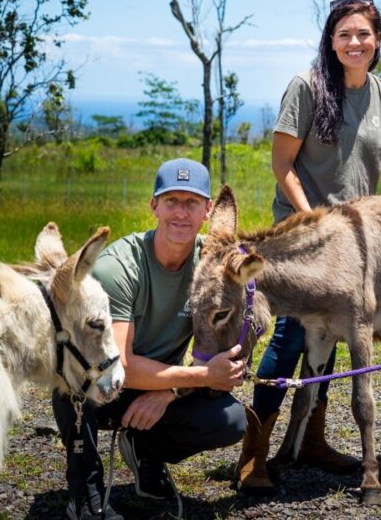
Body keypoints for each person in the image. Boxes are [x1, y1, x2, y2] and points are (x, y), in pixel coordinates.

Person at [236, 0, 381, 494]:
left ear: (377, 40)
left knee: (336, 331)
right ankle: (254, 453)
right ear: (331, 39)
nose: (354, 43)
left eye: (363, 34)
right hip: (302, 236)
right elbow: (282, 166)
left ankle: (312, 439)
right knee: (290, 338)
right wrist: (306, 218)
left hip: (357, 239)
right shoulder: (306, 87)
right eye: (344, 34)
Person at [53, 158, 248, 520]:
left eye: (191, 203)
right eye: (171, 200)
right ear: (153, 205)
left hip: (158, 384)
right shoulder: (119, 268)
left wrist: (170, 391)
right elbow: (120, 365)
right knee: (74, 381)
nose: (180, 213)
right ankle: (86, 491)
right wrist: (201, 377)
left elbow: (235, 331)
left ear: (208, 210)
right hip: (102, 384)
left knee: (230, 419)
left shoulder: (212, 265)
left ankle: (145, 450)